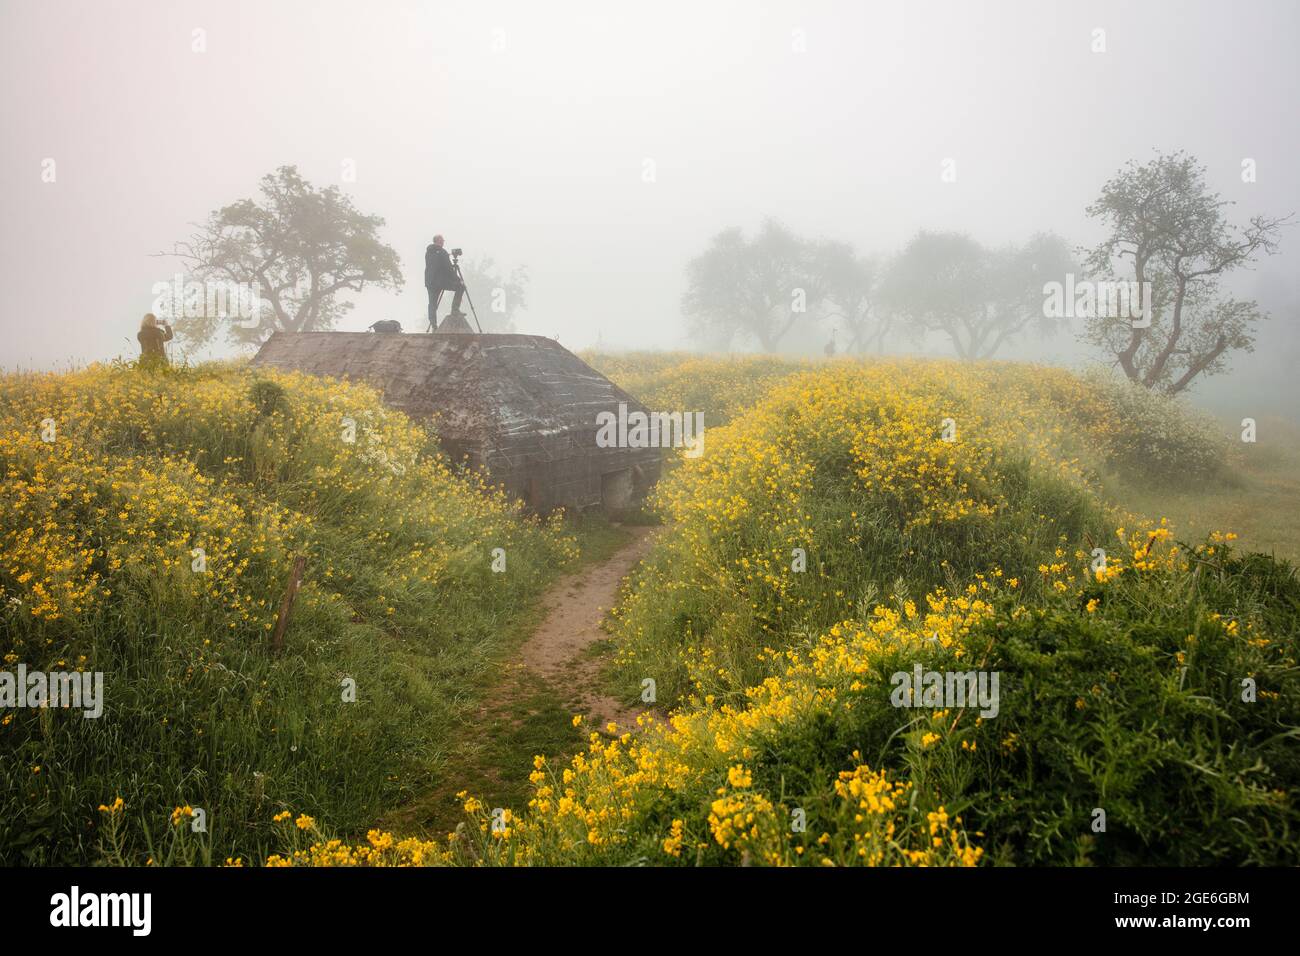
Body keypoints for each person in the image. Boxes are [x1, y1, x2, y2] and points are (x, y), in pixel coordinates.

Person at [424, 234, 465, 330]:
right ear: (438, 241)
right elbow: (449, 269)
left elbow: (435, 266)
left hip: (430, 282)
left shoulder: (428, 252)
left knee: (432, 303)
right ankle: (455, 310)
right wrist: (458, 280)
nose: (443, 242)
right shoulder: (442, 252)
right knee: (460, 287)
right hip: (440, 282)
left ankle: (433, 324)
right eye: (442, 240)